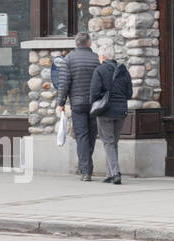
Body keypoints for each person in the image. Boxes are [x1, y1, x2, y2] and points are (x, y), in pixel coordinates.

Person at [56, 33, 101, 181]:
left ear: (76, 44)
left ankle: (85, 169)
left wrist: (61, 103)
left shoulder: (68, 59)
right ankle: (86, 165)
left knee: (81, 135)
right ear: (89, 44)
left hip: (78, 103)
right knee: (92, 134)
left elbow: (64, 83)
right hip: (94, 103)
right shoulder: (97, 59)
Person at [88, 42, 133, 185]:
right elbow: (129, 93)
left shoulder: (99, 70)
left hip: (105, 111)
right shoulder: (123, 70)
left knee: (108, 142)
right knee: (113, 142)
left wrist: (94, 104)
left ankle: (115, 172)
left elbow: (94, 93)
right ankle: (110, 174)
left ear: (102, 56)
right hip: (121, 111)